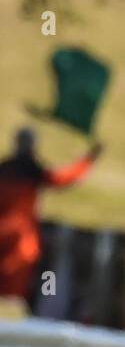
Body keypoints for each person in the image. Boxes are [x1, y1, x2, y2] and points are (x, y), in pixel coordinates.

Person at [0, 127, 100, 299]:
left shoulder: (5, 168)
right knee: (15, 284)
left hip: (8, 233)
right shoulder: (35, 172)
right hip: (20, 238)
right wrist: (89, 160)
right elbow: (63, 178)